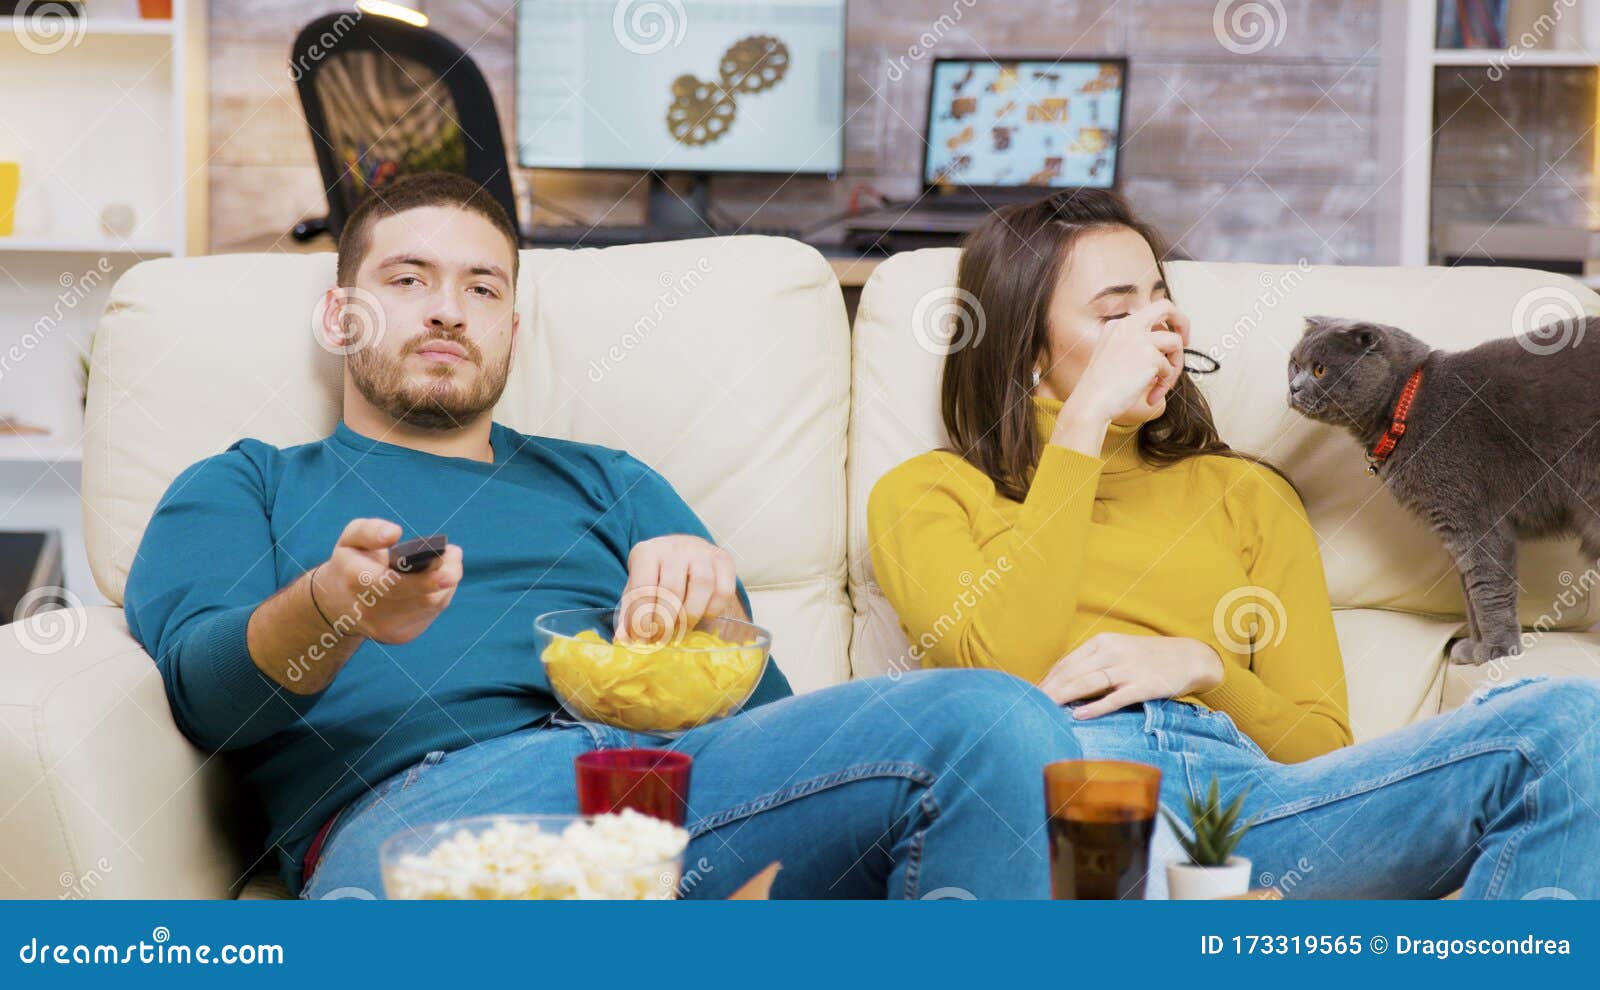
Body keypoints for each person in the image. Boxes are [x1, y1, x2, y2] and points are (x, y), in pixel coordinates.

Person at [124, 172, 1086, 900]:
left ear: (510, 325)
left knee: (999, 721)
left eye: (484, 289)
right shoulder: (246, 482)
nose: (448, 309)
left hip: (676, 782)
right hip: (427, 807)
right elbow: (208, 701)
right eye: (409, 278)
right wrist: (332, 609)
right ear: (341, 314)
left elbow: (772, 719)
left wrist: (713, 620)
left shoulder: (610, 480)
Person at [868, 188, 1600, 899]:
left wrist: (1204, 667)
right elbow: (1008, 675)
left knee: (1572, 727)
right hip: (1064, 790)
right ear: (1026, 346)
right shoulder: (926, 495)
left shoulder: (1244, 493)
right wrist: (1085, 419)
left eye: (1159, 303)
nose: (1159, 329)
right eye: (1119, 313)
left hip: (1252, 813)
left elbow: (1320, 746)